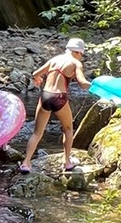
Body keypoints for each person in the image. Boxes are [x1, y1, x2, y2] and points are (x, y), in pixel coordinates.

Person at [17, 38, 90, 175]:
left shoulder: (55, 59)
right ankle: (67, 161)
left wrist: (38, 79)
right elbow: (82, 83)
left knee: (37, 133)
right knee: (68, 129)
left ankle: (26, 163)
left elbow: (35, 74)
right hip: (59, 98)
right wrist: (96, 87)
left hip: (45, 96)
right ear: (78, 52)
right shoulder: (75, 62)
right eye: (81, 54)